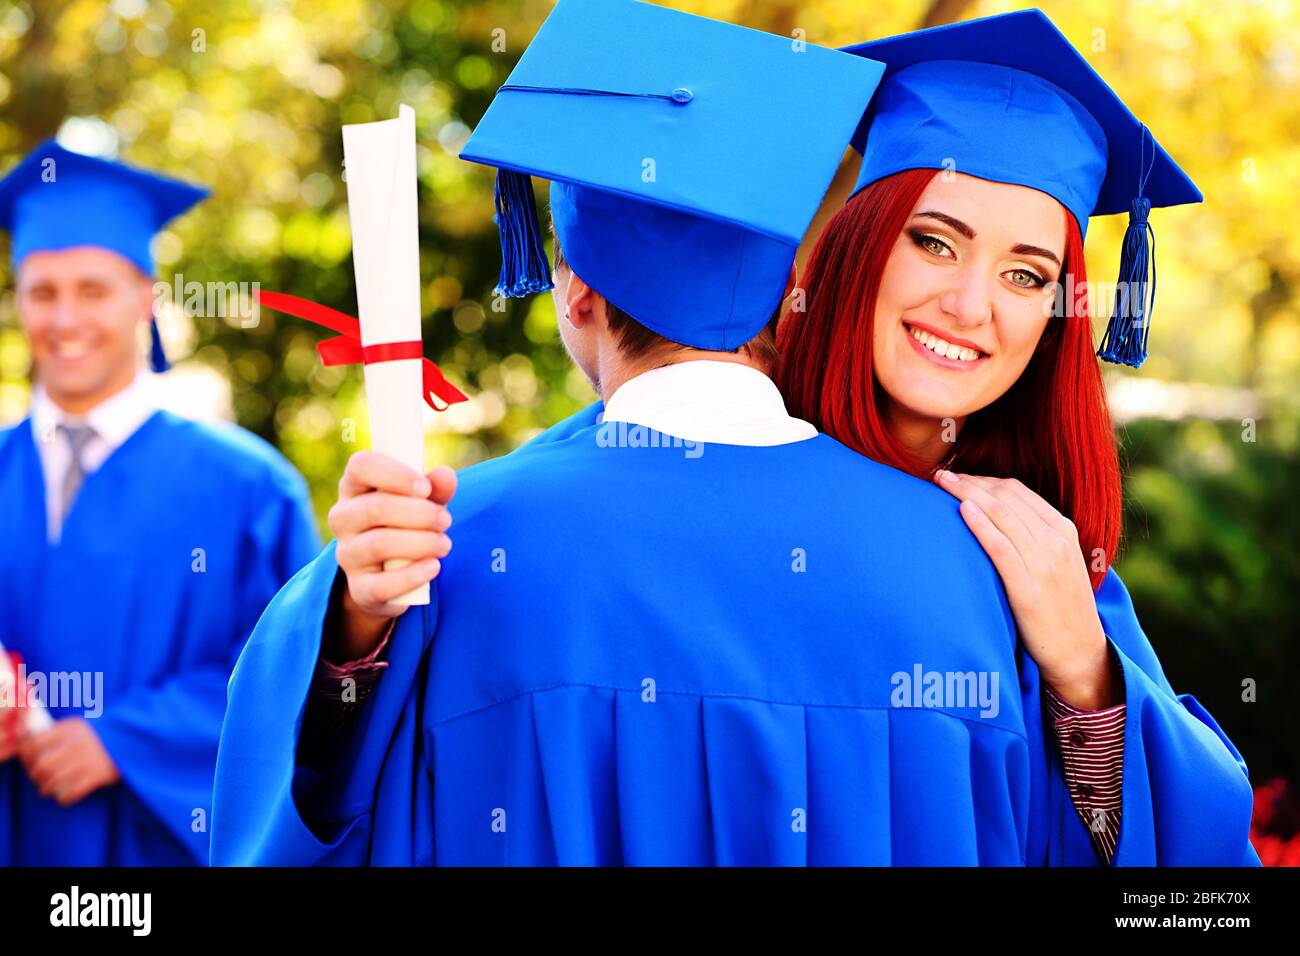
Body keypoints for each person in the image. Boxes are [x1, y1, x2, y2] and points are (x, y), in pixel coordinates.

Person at [210, 0, 1061, 866]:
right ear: (792, 284)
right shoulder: (978, 567)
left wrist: (355, 628)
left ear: (575, 290)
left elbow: (303, 819)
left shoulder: (441, 552)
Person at [768, 10, 1256, 865]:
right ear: (859, 246)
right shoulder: (732, 467)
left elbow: (1195, 881)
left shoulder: (1041, 558)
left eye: (1026, 274)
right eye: (933, 242)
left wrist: (1084, 674)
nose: (970, 306)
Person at [0, 140, 321, 865]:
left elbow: (292, 678)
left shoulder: (246, 487)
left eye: (93, 289)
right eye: (42, 291)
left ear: (146, 298)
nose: (64, 319)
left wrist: (124, 741)